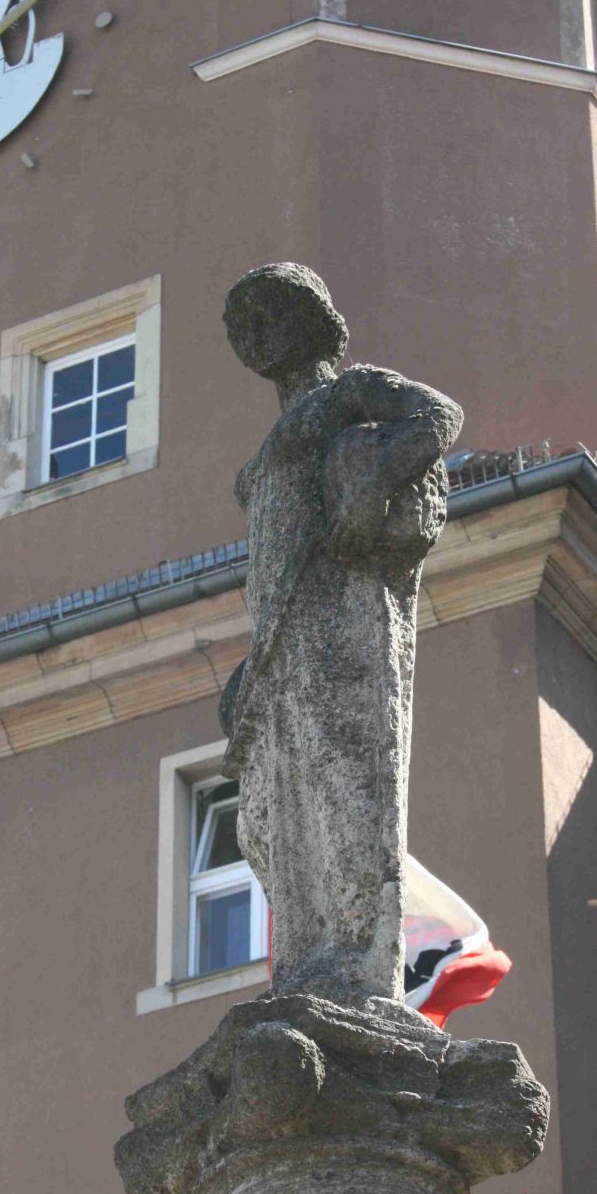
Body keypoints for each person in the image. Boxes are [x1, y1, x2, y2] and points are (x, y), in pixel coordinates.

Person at [219, 263, 463, 1002]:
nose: (256, 335)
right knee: (269, 814)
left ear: (315, 318)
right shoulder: (255, 466)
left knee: (345, 775)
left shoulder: (347, 394)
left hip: (340, 606)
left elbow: (438, 417)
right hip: (279, 641)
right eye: (243, 325)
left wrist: (370, 487)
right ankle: (304, 955)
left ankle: (360, 953)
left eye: (270, 313)